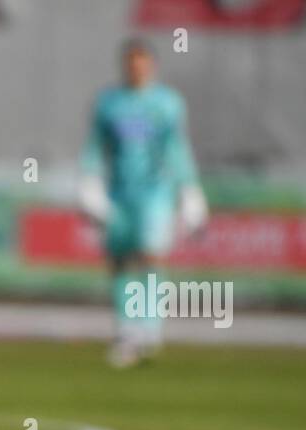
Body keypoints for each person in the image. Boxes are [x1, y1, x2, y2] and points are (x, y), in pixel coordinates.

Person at [79, 38, 208, 368]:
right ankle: (126, 329)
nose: (136, 68)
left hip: (156, 192)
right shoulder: (110, 102)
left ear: (152, 65)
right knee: (121, 260)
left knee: (150, 255)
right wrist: (90, 183)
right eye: (131, 62)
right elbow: (96, 146)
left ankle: (149, 326)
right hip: (120, 192)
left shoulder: (166, 103)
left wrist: (189, 190)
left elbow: (177, 148)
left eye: (142, 61)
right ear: (125, 65)